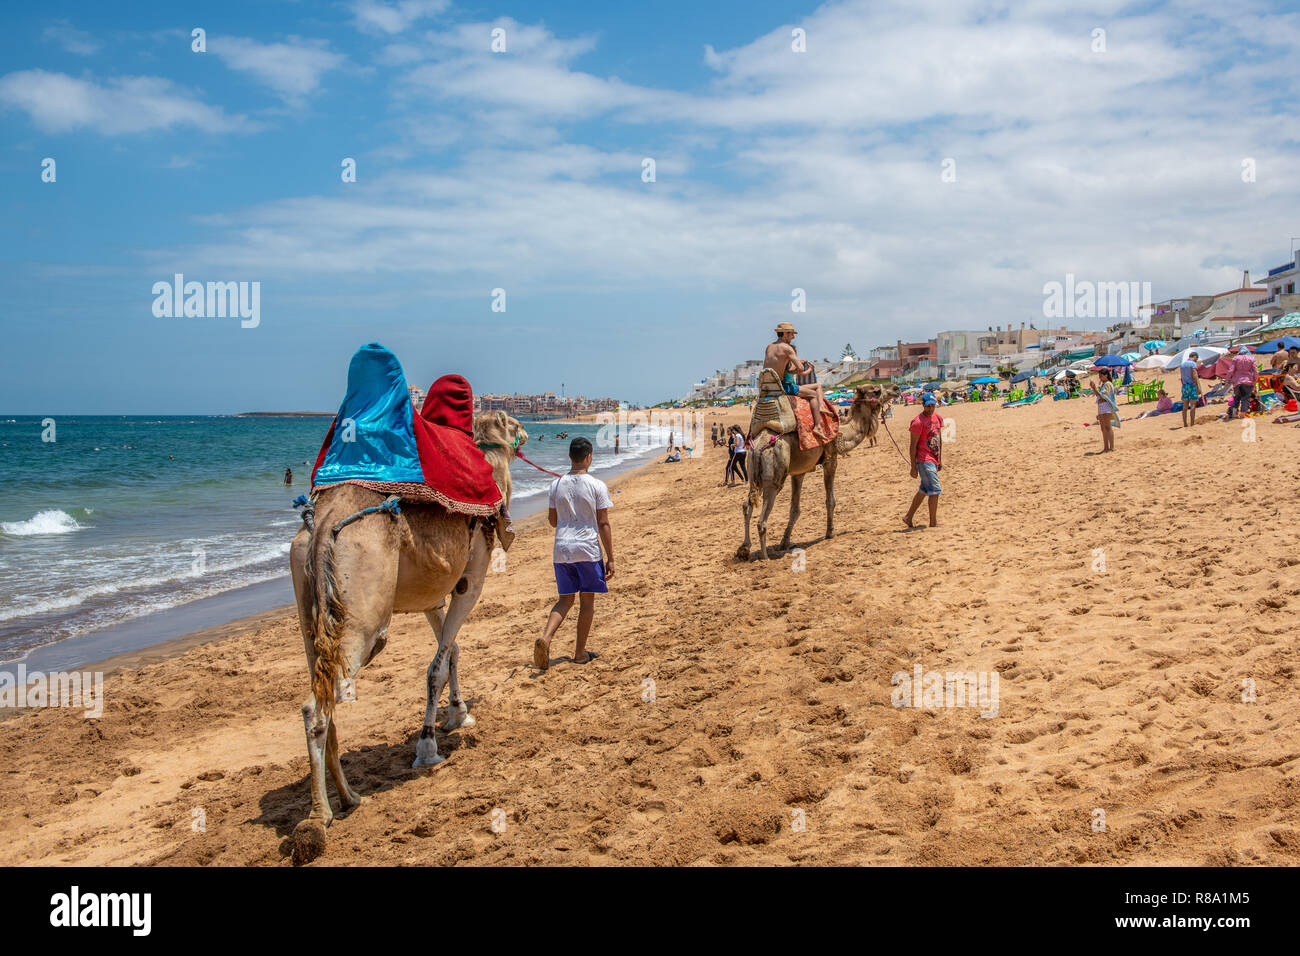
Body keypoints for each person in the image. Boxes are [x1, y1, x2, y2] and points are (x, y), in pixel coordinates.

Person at [534, 437, 613, 670]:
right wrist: (612, 558)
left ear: (570, 457)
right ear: (589, 457)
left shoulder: (556, 485)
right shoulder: (597, 485)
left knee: (565, 600)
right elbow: (603, 523)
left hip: (562, 549)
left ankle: (546, 638)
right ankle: (579, 653)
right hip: (587, 548)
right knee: (587, 600)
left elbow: (552, 521)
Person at [764, 322, 829, 440]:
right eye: (791, 334)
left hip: (767, 387)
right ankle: (818, 427)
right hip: (782, 386)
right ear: (784, 334)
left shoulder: (769, 347)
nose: (793, 337)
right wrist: (803, 366)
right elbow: (799, 369)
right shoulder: (787, 348)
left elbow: (780, 368)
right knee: (814, 395)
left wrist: (790, 369)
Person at [903, 392, 943, 528]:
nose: (930, 409)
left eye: (933, 406)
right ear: (923, 405)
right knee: (935, 490)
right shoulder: (917, 422)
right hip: (923, 460)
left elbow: (939, 439)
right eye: (928, 406)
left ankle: (908, 517)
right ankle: (933, 523)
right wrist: (913, 467)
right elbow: (912, 446)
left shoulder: (937, 418)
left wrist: (939, 459)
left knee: (925, 489)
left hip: (933, 459)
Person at [1226, 346, 1258, 420]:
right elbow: (1255, 371)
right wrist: (1255, 380)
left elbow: (1231, 370)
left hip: (1237, 381)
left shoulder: (1235, 358)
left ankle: (1234, 413)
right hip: (1248, 380)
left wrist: (1227, 380)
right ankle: (1242, 414)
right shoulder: (1251, 358)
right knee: (1245, 398)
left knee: (1237, 397)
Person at [1091, 368, 1118, 452]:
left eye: (1101, 376)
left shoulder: (1108, 384)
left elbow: (1103, 396)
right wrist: (1094, 388)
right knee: (1103, 427)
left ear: (1106, 375)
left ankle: (1111, 447)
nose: (1100, 378)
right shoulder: (1103, 384)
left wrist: (1095, 388)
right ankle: (1106, 447)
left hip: (1105, 405)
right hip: (1101, 406)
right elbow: (1098, 395)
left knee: (1107, 426)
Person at [1180, 351, 1202, 428]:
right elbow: (1194, 376)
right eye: (1197, 358)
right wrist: (1197, 387)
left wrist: (1184, 386)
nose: (1196, 360)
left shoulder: (1182, 364)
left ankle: (1185, 423)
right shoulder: (1193, 364)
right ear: (1194, 357)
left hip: (1185, 386)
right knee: (1193, 405)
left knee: (1185, 406)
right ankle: (1192, 423)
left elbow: (1181, 378)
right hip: (1192, 385)